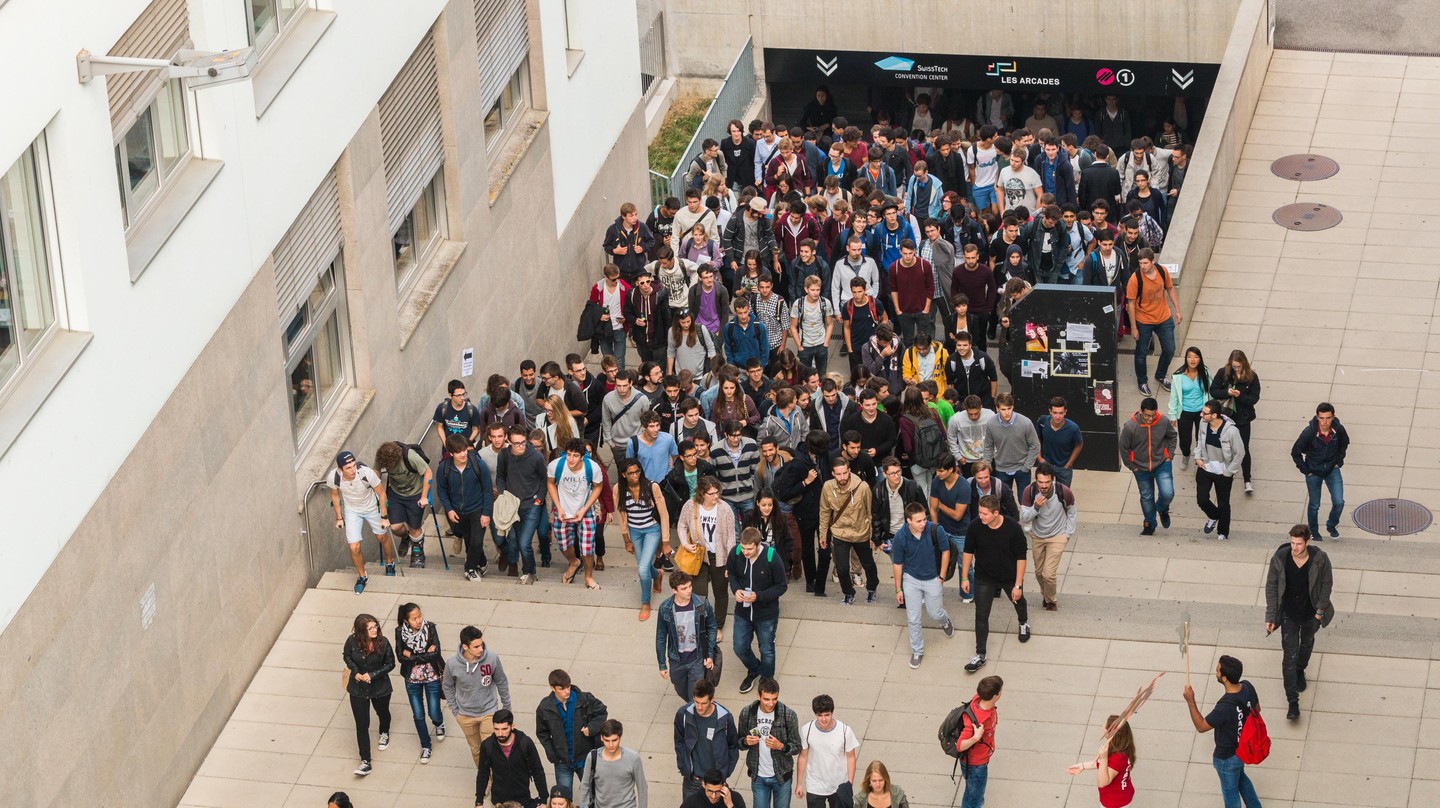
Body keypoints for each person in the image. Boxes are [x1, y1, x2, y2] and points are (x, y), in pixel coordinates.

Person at [1264, 525, 1335, 720]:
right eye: (1292, 543)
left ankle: (1300, 669)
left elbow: (1326, 585)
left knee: (1306, 645)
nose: (1294, 547)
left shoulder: (1320, 559)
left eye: (1299, 544)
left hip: (1311, 614)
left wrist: (1319, 612)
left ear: (1308, 542)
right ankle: (1292, 701)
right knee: (1289, 655)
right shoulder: (1280, 558)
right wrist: (1271, 616)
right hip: (1289, 615)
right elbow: (1271, 587)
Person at [961, 496, 1030, 674]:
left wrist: (1018, 585)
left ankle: (1023, 622)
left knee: (1018, 601)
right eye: (979, 512)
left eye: (984, 513)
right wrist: (964, 577)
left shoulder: (1013, 529)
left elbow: (1021, 557)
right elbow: (968, 551)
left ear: (996, 513)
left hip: (1009, 576)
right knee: (981, 615)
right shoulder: (975, 526)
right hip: (984, 576)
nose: (980, 516)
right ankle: (980, 654)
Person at [1183, 655, 1263, 808]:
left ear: (1224, 678)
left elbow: (1201, 726)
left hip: (1226, 757)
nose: (1216, 671)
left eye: (1218, 669)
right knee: (1241, 780)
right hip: (1243, 750)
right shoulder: (1247, 686)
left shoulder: (1224, 707)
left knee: (1231, 795)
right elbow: (1257, 709)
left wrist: (1191, 701)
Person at [891, 503, 954, 668]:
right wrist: (898, 588)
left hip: (933, 579)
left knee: (935, 612)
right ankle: (917, 650)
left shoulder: (935, 530)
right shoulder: (900, 537)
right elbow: (897, 564)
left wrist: (942, 576)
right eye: (918, 521)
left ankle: (945, 621)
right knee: (913, 619)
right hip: (911, 580)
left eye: (924, 519)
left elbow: (946, 551)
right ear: (908, 521)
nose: (923, 523)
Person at [728, 528, 788, 693]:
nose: (745, 552)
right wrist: (735, 589)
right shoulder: (736, 552)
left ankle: (767, 681)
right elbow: (731, 573)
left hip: (766, 613)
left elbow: (782, 586)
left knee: (766, 649)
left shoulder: (771, 557)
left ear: (758, 545)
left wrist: (759, 596)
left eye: (749, 549)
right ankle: (755, 669)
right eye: (743, 548)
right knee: (739, 647)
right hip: (743, 611)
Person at [678, 475, 739, 636]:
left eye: (717, 492)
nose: (716, 496)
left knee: (720, 593)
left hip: (719, 557)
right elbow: (682, 525)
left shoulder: (725, 509)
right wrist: (685, 544)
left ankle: (718, 626)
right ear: (702, 493)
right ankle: (701, 624)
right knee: (698, 594)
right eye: (711, 494)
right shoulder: (691, 506)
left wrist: (731, 563)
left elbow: (731, 537)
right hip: (698, 555)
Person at [444, 625, 513, 768]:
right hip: (465, 715)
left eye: (481, 644)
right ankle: (486, 779)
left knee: (491, 749)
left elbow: (502, 682)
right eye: (476, 646)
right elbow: (447, 686)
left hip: (488, 711)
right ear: (465, 646)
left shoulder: (492, 659)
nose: (481, 649)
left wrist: (507, 708)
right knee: (476, 750)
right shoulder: (452, 664)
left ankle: (496, 782)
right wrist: (455, 709)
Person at [329, 450, 397, 593]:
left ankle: (390, 563)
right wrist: (339, 517)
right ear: (340, 469)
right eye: (348, 468)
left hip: (372, 507)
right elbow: (334, 495)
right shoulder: (334, 477)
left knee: (381, 537)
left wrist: (384, 517)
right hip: (352, 511)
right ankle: (362, 576)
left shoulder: (366, 473)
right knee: (354, 546)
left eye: (354, 465)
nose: (353, 470)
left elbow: (382, 493)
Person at [536, 669, 609, 794]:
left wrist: (591, 728)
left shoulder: (584, 700)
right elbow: (542, 733)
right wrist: (552, 754)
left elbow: (602, 712)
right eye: (562, 688)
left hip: (585, 758)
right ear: (553, 688)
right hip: (562, 760)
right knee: (563, 797)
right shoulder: (545, 707)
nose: (567, 691)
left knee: (593, 794)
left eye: (568, 687)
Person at [548, 439, 606, 588]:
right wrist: (559, 507)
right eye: (568, 454)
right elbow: (550, 483)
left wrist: (585, 509)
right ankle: (573, 561)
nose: (571, 459)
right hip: (563, 510)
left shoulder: (593, 468)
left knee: (587, 548)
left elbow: (598, 487)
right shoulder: (556, 466)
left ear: (582, 456)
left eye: (575, 455)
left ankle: (588, 577)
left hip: (584, 510)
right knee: (563, 543)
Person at [436, 435, 495, 582]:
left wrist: (486, 513)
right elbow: (441, 490)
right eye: (458, 452)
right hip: (458, 511)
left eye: (464, 450)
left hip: (477, 509)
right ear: (451, 453)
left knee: (476, 541)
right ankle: (482, 563)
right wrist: (449, 509)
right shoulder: (444, 468)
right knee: (469, 541)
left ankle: (470, 569)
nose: (463, 454)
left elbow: (487, 489)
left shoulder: (478, 465)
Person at [1018, 464, 1076, 613]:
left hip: (1057, 536)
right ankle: (1046, 595)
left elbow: (1071, 511)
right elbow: (1024, 517)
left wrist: (1067, 534)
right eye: (1040, 482)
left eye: (1047, 482)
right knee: (1039, 572)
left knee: (1048, 574)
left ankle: (1051, 601)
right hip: (1037, 536)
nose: (1043, 486)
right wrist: (1035, 507)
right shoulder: (1029, 491)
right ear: (1036, 480)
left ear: (1053, 480)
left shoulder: (1063, 491)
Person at [818, 455, 876, 604]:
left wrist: (873, 536)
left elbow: (870, 512)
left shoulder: (862, 487)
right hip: (840, 532)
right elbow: (824, 512)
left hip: (861, 531)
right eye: (838, 474)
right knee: (842, 568)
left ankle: (871, 588)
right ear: (833, 474)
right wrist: (823, 535)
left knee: (868, 564)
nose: (842, 477)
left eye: (845, 473)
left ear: (849, 471)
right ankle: (848, 593)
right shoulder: (828, 487)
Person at [496, 425, 550, 584]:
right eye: (517, 443)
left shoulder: (536, 457)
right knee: (514, 540)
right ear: (508, 441)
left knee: (525, 542)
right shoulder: (504, 455)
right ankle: (524, 568)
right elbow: (500, 477)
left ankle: (530, 572)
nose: (521, 446)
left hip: (531, 505)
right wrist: (501, 494)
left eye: (523, 442)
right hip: (511, 505)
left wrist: (539, 499)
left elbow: (544, 480)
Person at [737, 677, 802, 808]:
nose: (771, 703)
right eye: (766, 699)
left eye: (774, 699)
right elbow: (738, 742)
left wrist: (781, 746)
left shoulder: (788, 715)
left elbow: (797, 747)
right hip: (758, 776)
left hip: (782, 776)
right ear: (758, 696)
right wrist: (745, 741)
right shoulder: (747, 713)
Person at [343, 613, 395, 777]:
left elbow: (390, 663)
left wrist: (372, 675)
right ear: (361, 631)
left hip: (379, 687)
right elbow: (347, 656)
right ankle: (365, 761)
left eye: (375, 626)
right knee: (361, 724)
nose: (375, 630)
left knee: (382, 712)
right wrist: (356, 672)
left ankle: (384, 731)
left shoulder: (383, 642)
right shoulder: (352, 641)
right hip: (358, 688)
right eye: (370, 628)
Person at [1125, 249, 1181, 396]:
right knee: (1141, 353)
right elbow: (1131, 304)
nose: (1142, 266)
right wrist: (1134, 327)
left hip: (1164, 317)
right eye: (1140, 263)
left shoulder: (1162, 271)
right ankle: (1142, 381)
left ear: (1153, 262)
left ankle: (1160, 375)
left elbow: (1170, 288)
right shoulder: (1135, 279)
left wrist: (1177, 310)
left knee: (1169, 349)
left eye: (1145, 263)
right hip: (1143, 320)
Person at [1118, 398, 1177, 537]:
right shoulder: (1131, 426)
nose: (1150, 419)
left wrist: (1169, 455)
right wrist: (1132, 467)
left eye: (1153, 415)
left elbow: (1172, 436)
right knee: (1146, 496)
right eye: (1147, 416)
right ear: (1141, 411)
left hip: (1162, 463)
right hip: (1140, 467)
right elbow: (1123, 448)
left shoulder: (1163, 421)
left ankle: (1162, 509)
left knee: (1168, 493)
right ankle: (1150, 524)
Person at [656, 571, 719, 700]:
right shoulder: (666, 608)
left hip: (697, 658)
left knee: (694, 696)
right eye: (684, 588)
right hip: (676, 659)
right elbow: (661, 636)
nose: (689, 590)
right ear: (674, 590)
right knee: (680, 689)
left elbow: (712, 627)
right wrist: (662, 664)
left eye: (690, 586)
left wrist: (709, 654)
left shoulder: (701, 604)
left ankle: (693, 710)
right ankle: (692, 706)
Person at [1291, 403, 1349, 542]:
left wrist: (1338, 462)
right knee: (1314, 504)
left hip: (1331, 469)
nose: (1324, 422)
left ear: (1333, 417)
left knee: (1339, 502)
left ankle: (1331, 525)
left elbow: (1344, 444)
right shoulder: (1309, 433)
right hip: (1314, 472)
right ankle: (1314, 532)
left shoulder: (1338, 430)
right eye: (1321, 418)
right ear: (1317, 417)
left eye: (1328, 418)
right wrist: (1306, 470)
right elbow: (1295, 452)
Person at [395, 603, 445, 764]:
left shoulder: (430, 627)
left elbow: (436, 653)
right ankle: (426, 746)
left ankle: (439, 723)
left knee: (433, 711)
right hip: (412, 679)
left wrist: (414, 656)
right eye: (414, 618)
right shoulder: (399, 632)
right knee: (418, 715)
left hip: (431, 676)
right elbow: (400, 657)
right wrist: (424, 654)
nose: (419, 620)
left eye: (420, 616)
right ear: (406, 620)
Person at [675, 680, 740, 801]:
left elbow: (733, 745)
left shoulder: (724, 718)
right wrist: (683, 766)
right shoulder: (684, 714)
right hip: (693, 780)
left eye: (704, 703)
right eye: (696, 702)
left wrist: (725, 772)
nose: (699, 707)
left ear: (712, 699)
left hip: (716, 783)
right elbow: (679, 741)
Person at [1194, 400, 1246, 542]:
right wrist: (1198, 457)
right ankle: (1213, 515)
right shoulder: (1203, 424)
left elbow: (1240, 453)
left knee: (1224, 503)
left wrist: (1229, 472)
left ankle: (1223, 532)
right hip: (1205, 467)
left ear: (1215, 415)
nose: (1201, 415)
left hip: (1223, 472)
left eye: (1205, 413)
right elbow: (1199, 441)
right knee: (1202, 499)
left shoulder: (1231, 431)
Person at [1210, 349, 1261, 494]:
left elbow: (1254, 399)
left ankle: (1247, 479)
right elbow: (1213, 390)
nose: (1236, 369)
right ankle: (1225, 472)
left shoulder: (1251, 377)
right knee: (1224, 445)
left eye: (1238, 366)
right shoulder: (1223, 373)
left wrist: (1239, 396)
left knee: (1243, 448)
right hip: (1226, 416)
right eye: (1234, 366)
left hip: (1243, 417)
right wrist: (1227, 392)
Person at [794, 694, 858, 808]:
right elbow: (803, 756)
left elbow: (851, 757)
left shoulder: (844, 731)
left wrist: (849, 784)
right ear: (815, 715)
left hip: (839, 784)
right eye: (820, 715)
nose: (824, 719)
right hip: (815, 785)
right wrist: (799, 783)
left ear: (832, 713)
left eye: (827, 715)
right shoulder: (807, 730)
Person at [375, 441, 433, 567]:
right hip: (395, 494)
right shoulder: (381, 457)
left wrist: (424, 497)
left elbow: (428, 473)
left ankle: (417, 551)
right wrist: (376, 487)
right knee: (395, 527)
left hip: (415, 494)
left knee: (414, 527)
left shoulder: (409, 456)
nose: (388, 468)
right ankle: (406, 537)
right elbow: (376, 471)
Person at [476, 709, 548, 808]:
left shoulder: (525, 743)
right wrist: (479, 801)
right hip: (499, 802)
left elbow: (537, 771)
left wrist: (543, 800)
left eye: (504, 729)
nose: (500, 733)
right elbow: (483, 774)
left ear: (512, 726)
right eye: (496, 729)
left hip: (522, 801)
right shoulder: (487, 746)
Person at [576, 719, 649, 808]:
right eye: (607, 740)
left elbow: (642, 787)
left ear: (620, 737)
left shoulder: (633, 758)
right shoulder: (592, 757)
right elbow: (585, 785)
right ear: (602, 738)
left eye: (614, 740)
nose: (611, 745)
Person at [954, 676, 1003, 808]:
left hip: (977, 760)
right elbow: (960, 746)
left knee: (971, 792)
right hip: (976, 765)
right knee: (975, 800)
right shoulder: (978, 719)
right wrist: (976, 737)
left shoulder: (978, 698)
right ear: (995, 695)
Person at [1067, 715, 1135, 806]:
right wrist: (1082, 766)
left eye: (1105, 726)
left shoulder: (1118, 757)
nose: (1103, 726)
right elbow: (1101, 764)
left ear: (1109, 733)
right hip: (1119, 797)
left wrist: (1103, 758)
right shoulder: (1119, 746)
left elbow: (1103, 782)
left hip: (1115, 802)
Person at [983, 394, 1041, 495]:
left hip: (1022, 468)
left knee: (1024, 501)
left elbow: (1035, 445)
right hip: (1001, 468)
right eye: (1003, 409)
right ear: (997, 409)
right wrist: (987, 466)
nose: (1007, 412)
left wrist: (1027, 466)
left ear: (1013, 407)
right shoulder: (991, 424)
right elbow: (988, 446)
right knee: (1003, 501)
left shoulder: (1025, 423)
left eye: (1009, 408)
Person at [1168, 347, 1211, 460]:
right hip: (1184, 413)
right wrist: (1172, 415)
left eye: (1196, 357)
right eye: (1189, 357)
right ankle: (1186, 455)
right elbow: (1174, 397)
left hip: (1201, 412)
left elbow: (1210, 393)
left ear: (1200, 359)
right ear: (1186, 359)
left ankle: (1199, 456)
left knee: (1201, 437)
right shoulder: (1178, 376)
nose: (1192, 360)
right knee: (1185, 440)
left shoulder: (1205, 373)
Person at [1036, 397, 1084, 488]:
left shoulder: (1073, 428)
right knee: (1043, 493)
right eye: (1055, 413)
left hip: (1063, 467)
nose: (1057, 416)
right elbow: (1036, 438)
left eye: (1061, 413)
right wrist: (1040, 458)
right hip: (1045, 464)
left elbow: (1079, 444)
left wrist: (1069, 464)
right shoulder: (1042, 421)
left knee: (1063, 495)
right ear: (1050, 411)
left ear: (1065, 412)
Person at [436, 379, 483, 448]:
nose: (462, 398)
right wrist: (445, 443)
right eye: (458, 395)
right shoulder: (442, 408)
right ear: (450, 395)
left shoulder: (472, 409)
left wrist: (468, 443)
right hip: (449, 448)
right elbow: (439, 426)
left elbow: (476, 429)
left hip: (466, 448)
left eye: (463, 394)